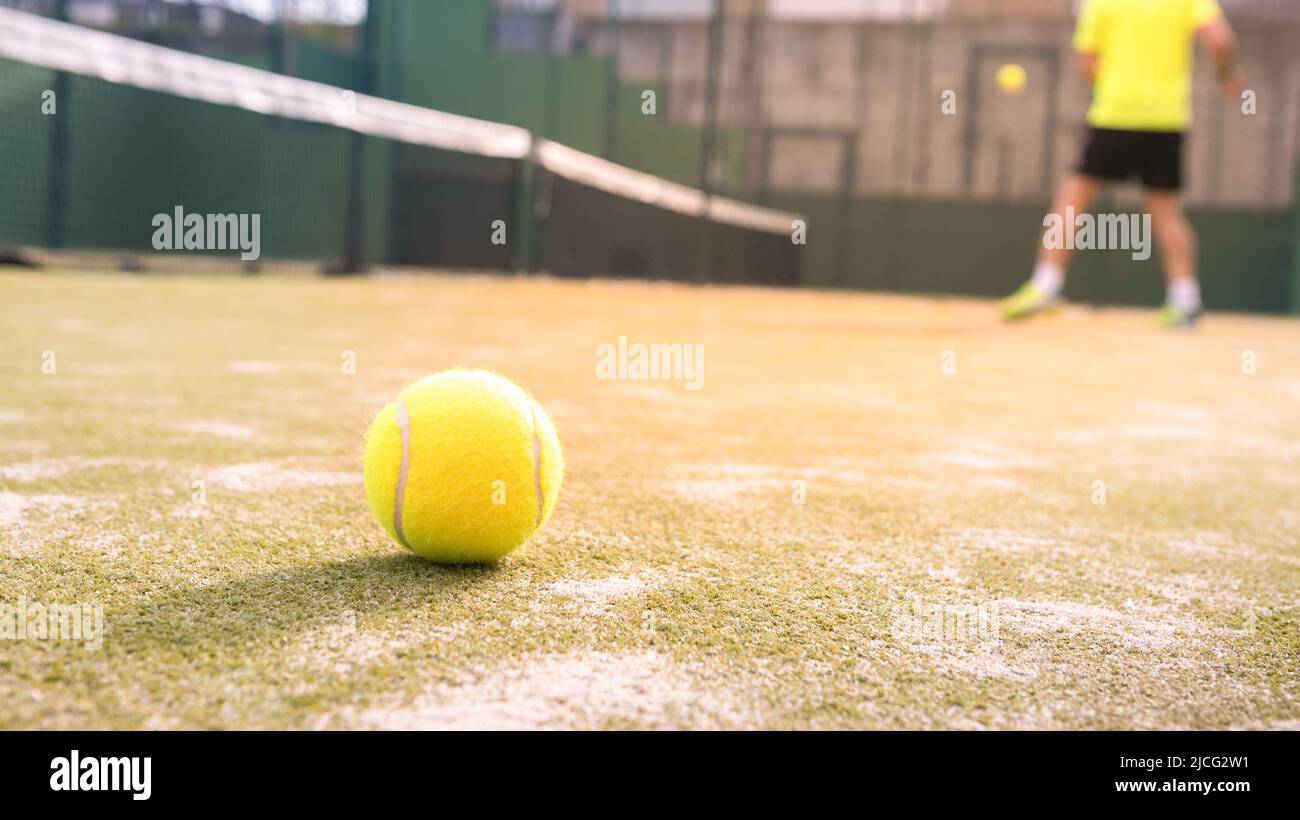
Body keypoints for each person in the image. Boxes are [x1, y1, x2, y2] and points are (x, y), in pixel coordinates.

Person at [998, 0, 1245, 327]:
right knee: (1168, 211)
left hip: (1115, 115)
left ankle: (1046, 285)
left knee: (1073, 198)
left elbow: (1086, 63)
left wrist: (1116, 84)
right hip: (1167, 119)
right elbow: (1219, 39)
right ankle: (1185, 300)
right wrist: (1225, 75)